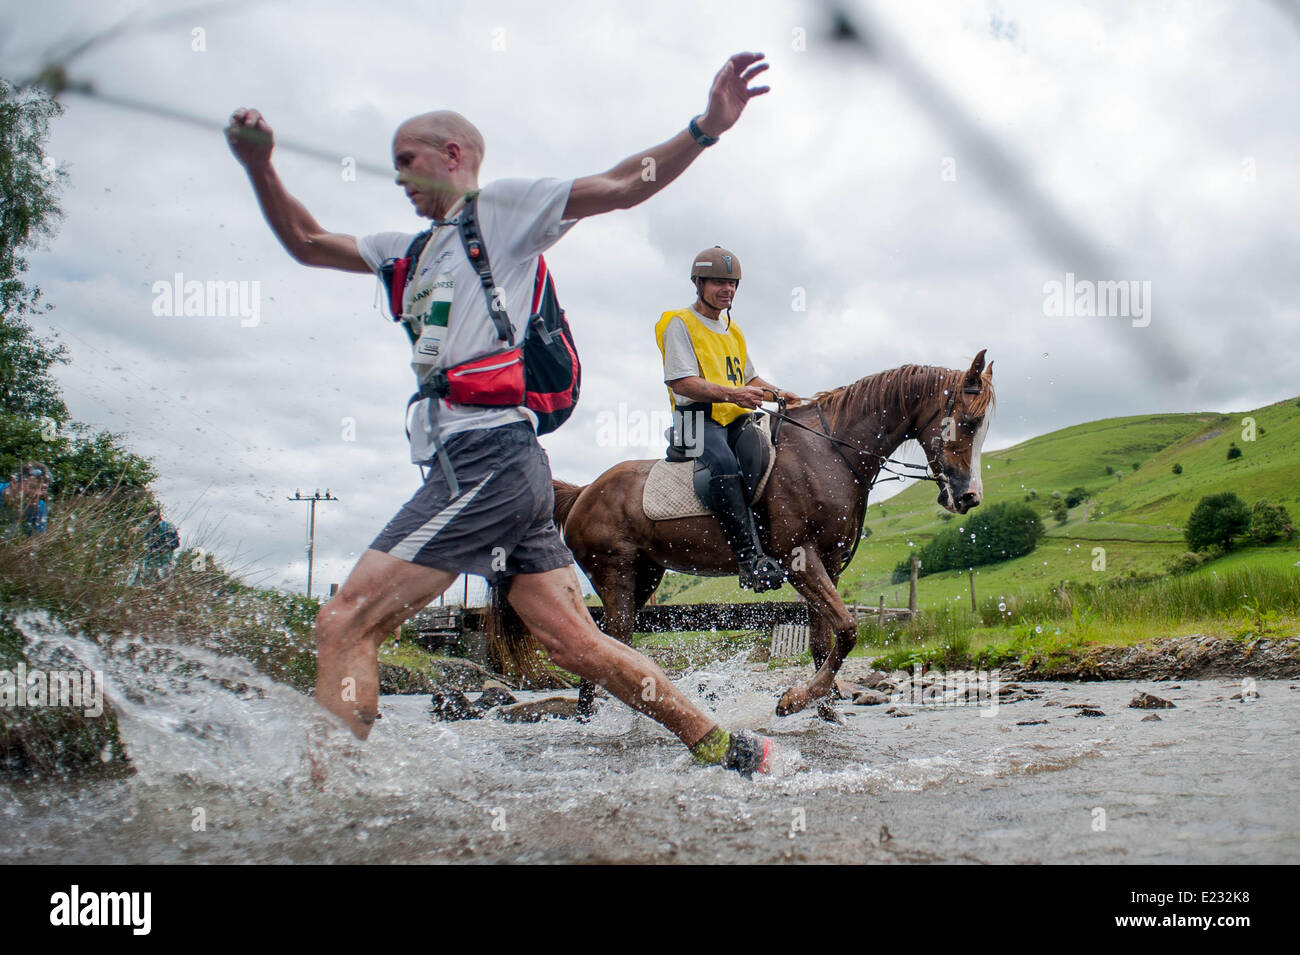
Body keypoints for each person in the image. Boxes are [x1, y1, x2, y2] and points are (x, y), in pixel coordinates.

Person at [226, 52, 782, 776]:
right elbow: (305, 242)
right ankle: (733, 747)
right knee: (577, 644)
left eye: (407, 158)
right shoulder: (407, 249)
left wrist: (705, 127)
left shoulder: (504, 214)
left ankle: (326, 806)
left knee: (343, 622)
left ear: (452, 155)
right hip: (504, 472)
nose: (397, 176)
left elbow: (617, 187)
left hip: (485, 461)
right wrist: (260, 166)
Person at [655, 246, 801, 591]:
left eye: (733, 283)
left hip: (733, 420)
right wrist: (734, 394)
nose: (728, 290)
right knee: (723, 464)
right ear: (699, 283)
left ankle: (765, 541)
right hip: (693, 420)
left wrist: (778, 394)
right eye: (719, 282)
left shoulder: (733, 331)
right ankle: (749, 560)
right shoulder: (678, 323)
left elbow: (750, 381)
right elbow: (681, 382)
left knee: (765, 457)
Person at [0, 462, 51, 539]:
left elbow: (36, 543)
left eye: (43, 488)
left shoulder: (39, 508)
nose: (37, 493)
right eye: (33, 487)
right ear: (14, 482)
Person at [131, 504, 180, 583]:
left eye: (152, 512)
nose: (150, 514)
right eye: (149, 512)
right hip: (150, 559)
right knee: (147, 581)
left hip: (165, 559)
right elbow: (136, 530)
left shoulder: (167, 526)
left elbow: (176, 543)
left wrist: (165, 547)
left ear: (158, 513)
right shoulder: (146, 525)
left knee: (166, 582)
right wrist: (135, 530)